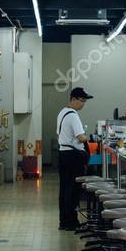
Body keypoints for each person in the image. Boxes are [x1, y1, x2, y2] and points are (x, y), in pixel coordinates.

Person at [56, 87, 93, 231]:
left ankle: (65, 221)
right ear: (73, 99)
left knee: (65, 189)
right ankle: (71, 222)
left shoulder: (62, 113)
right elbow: (81, 137)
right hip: (73, 156)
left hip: (63, 154)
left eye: (84, 101)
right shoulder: (73, 115)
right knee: (73, 190)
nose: (83, 104)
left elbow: (58, 134)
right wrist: (86, 135)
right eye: (81, 101)